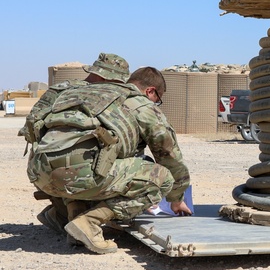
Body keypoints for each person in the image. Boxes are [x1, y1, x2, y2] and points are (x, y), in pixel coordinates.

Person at [22, 54, 192, 254]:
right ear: (150, 91)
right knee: (162, 178)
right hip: (80, 177)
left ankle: (64, 215)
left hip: (39, 173)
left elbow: (31, 131)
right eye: (157, 99)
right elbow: (168, 155)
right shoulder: (136, 102)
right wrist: (176, 197)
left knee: (85, 158)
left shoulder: (67, 92)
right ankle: (89, 222)